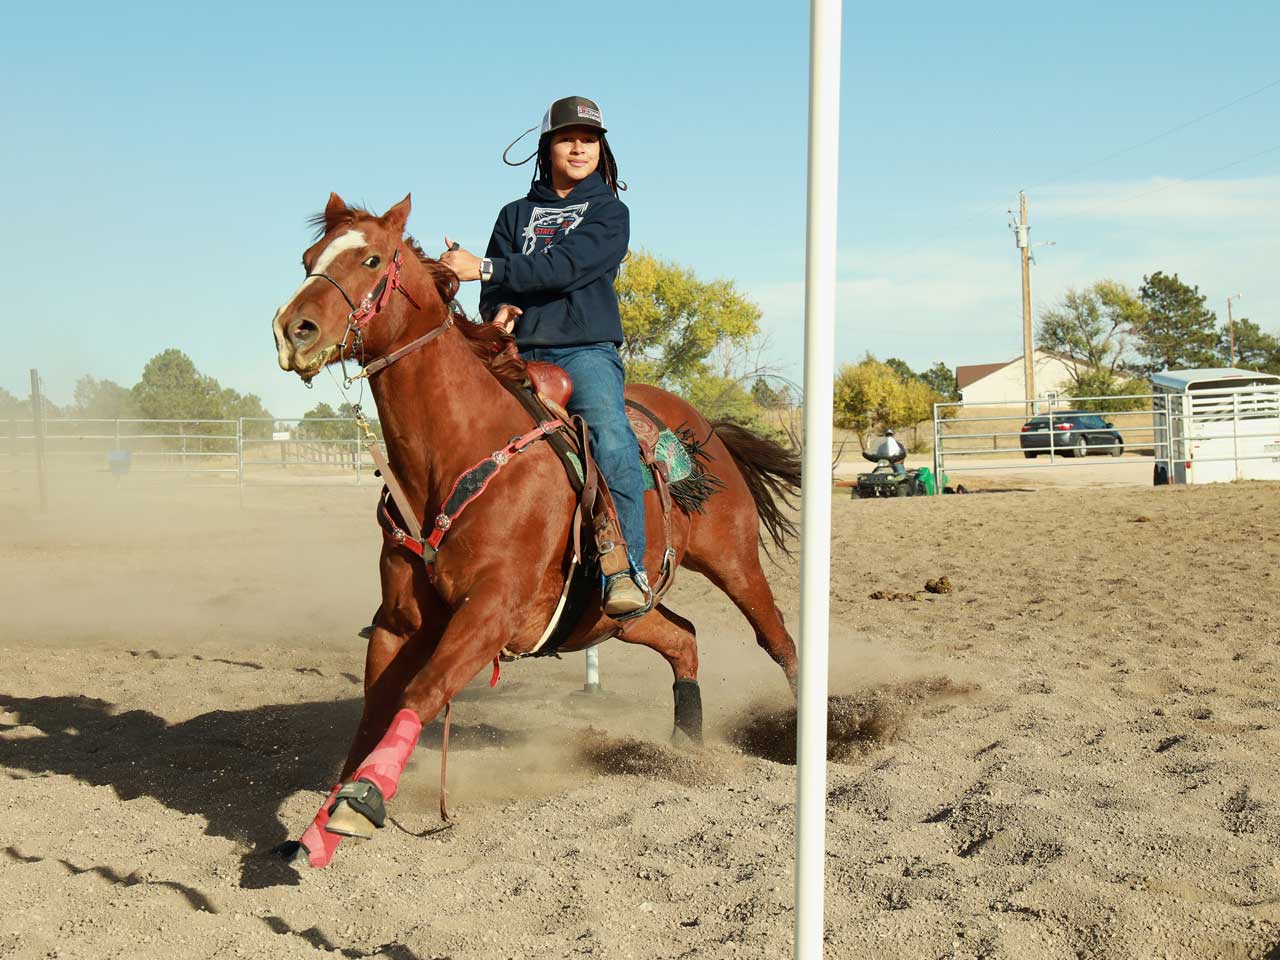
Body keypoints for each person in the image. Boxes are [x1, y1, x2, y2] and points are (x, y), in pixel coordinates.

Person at [440, 96, 650, 619]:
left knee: (610, 434)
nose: (579, 146)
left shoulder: (609, 212)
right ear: (547, 147)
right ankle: (430, 563)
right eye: (567, 138)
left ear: (601, 150)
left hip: (583, 351)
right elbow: (495, 292)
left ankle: (625, 569)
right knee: (453, 432)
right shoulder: (514, 215)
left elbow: (567, 266)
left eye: (590, 139)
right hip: (517, 351)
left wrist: (484, 269)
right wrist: (498, 309)